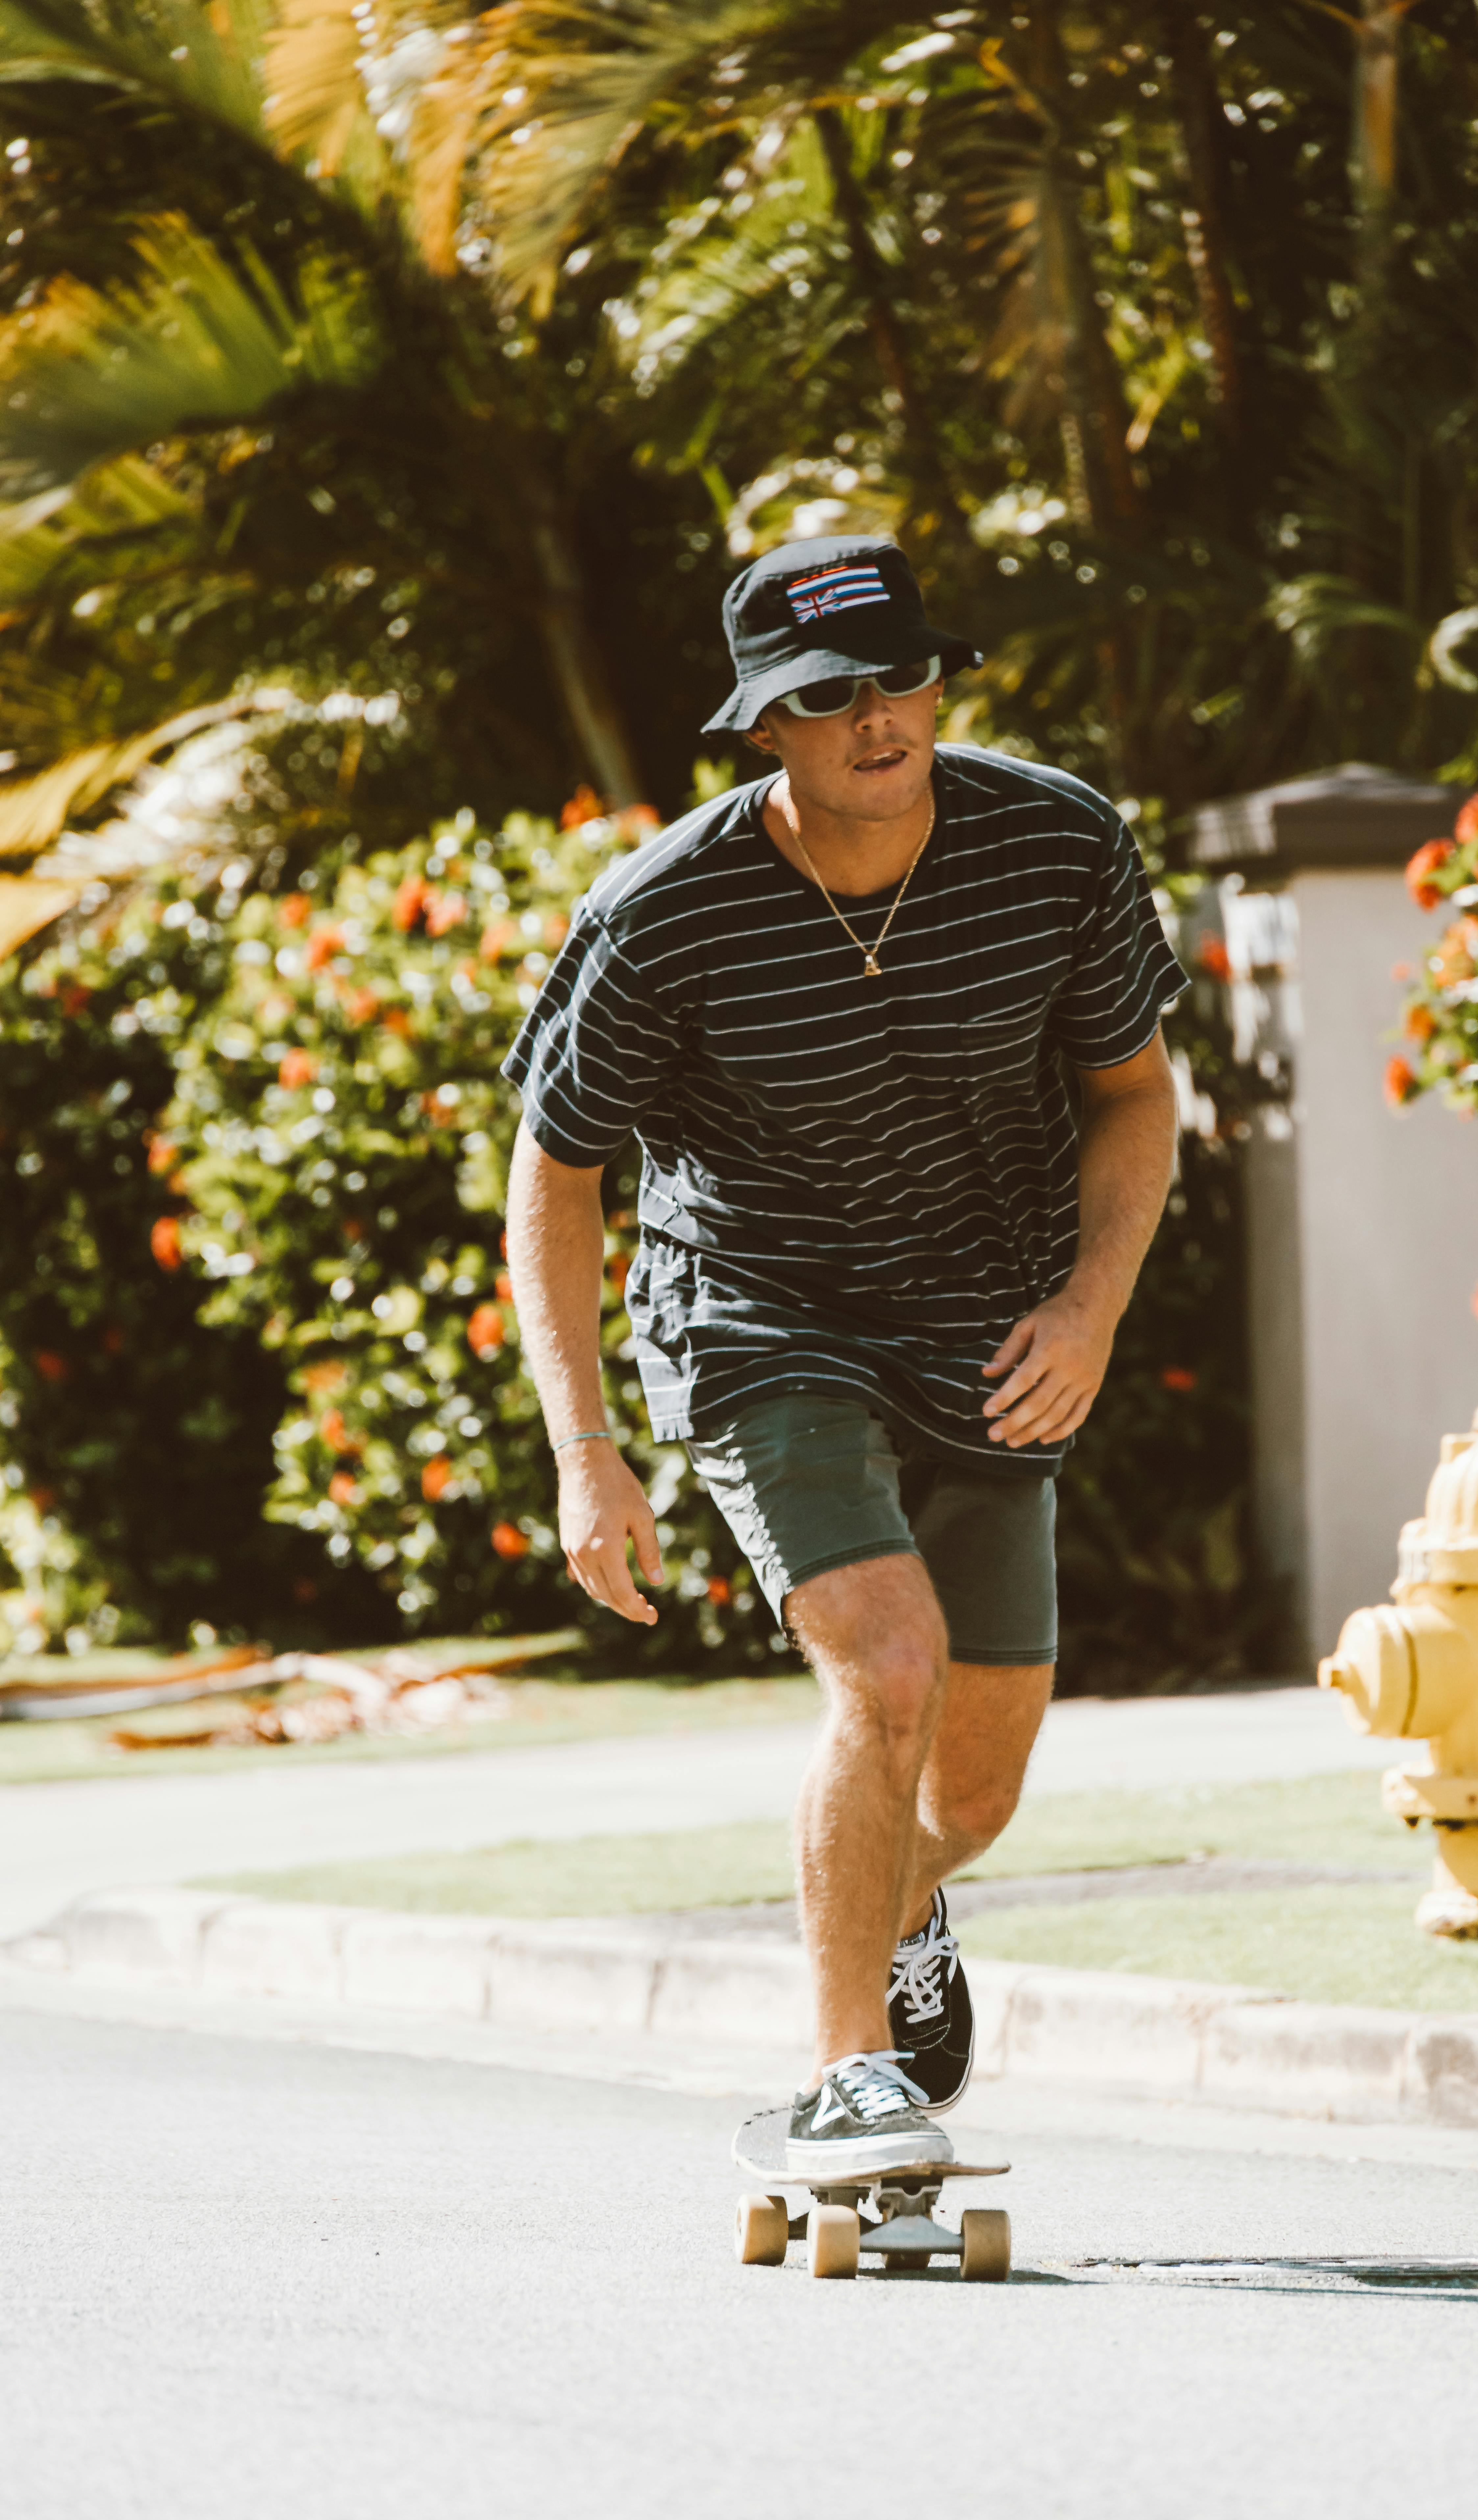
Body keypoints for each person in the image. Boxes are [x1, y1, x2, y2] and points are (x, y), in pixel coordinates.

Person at [503, 536, 1185, 2175]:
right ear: (766, 724)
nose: (873, 717)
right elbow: (557, 1167)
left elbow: (1134, 1093)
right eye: (823, 693)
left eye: (895, 675)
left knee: (984, 1766)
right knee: (885, 1670)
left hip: (990, 1316)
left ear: (936, 678)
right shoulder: (663, 913)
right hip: (759, 1311)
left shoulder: (1055, 841)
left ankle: (912, 1902)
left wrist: (1089, 1307)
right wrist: (583, 1444)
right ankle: (848, 2073)